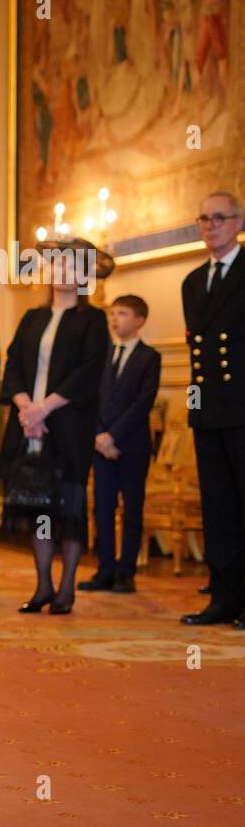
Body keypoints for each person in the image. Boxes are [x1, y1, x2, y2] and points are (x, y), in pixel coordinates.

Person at [0, 243, 109, 615]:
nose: (61, 272)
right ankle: (43, 584)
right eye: (56, 265)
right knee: (38, 506)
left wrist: (45, 407)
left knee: (68, 508)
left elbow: (89, 372)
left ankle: (66, 589)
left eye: (70, 266)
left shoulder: (91, 320)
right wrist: (26, 407)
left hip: (69, 425)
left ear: (84, 276)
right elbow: (12, 366)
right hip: (29, 425)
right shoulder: (32, 317)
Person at [180, 190, 245, 628]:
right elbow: (196, 354)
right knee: (218, 508)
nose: (210, 225)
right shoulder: (191, 281)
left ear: (238, 222)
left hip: (243, 406)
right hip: (208, 410)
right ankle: (224, 598)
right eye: (203, 218)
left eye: (218, 217)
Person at [80, 295, 161, 594]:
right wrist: (100, 436)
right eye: (112, 313)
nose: (115, 319)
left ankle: (127, 572)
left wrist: (113, 436)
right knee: (102, 507)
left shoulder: (150, 357)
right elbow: (92, 398)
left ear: (139, 320)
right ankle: (105, 570)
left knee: (132, 509)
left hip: (132, 445)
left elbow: (144, 402)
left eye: (123, 313)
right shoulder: (102, 355)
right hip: (101, 445)